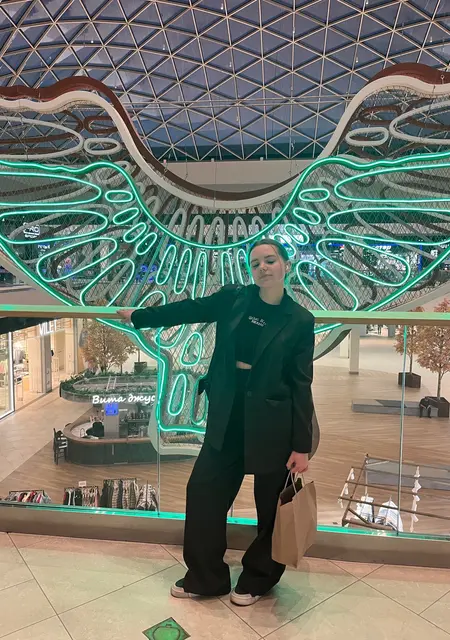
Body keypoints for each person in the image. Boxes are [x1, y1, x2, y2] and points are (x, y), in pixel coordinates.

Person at [117, 239, 315, 606]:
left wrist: (301, 446)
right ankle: (207, 577)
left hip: (273, 424)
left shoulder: (300, 320)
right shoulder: (235, 298)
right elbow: (189, 309)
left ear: (286, 265)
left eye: (270, 260)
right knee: (203, 492)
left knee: (271, 508)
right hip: (228, 413)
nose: (263, 268)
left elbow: (301, 384)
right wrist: (140, 316)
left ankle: (259, 578)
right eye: (255, 263)